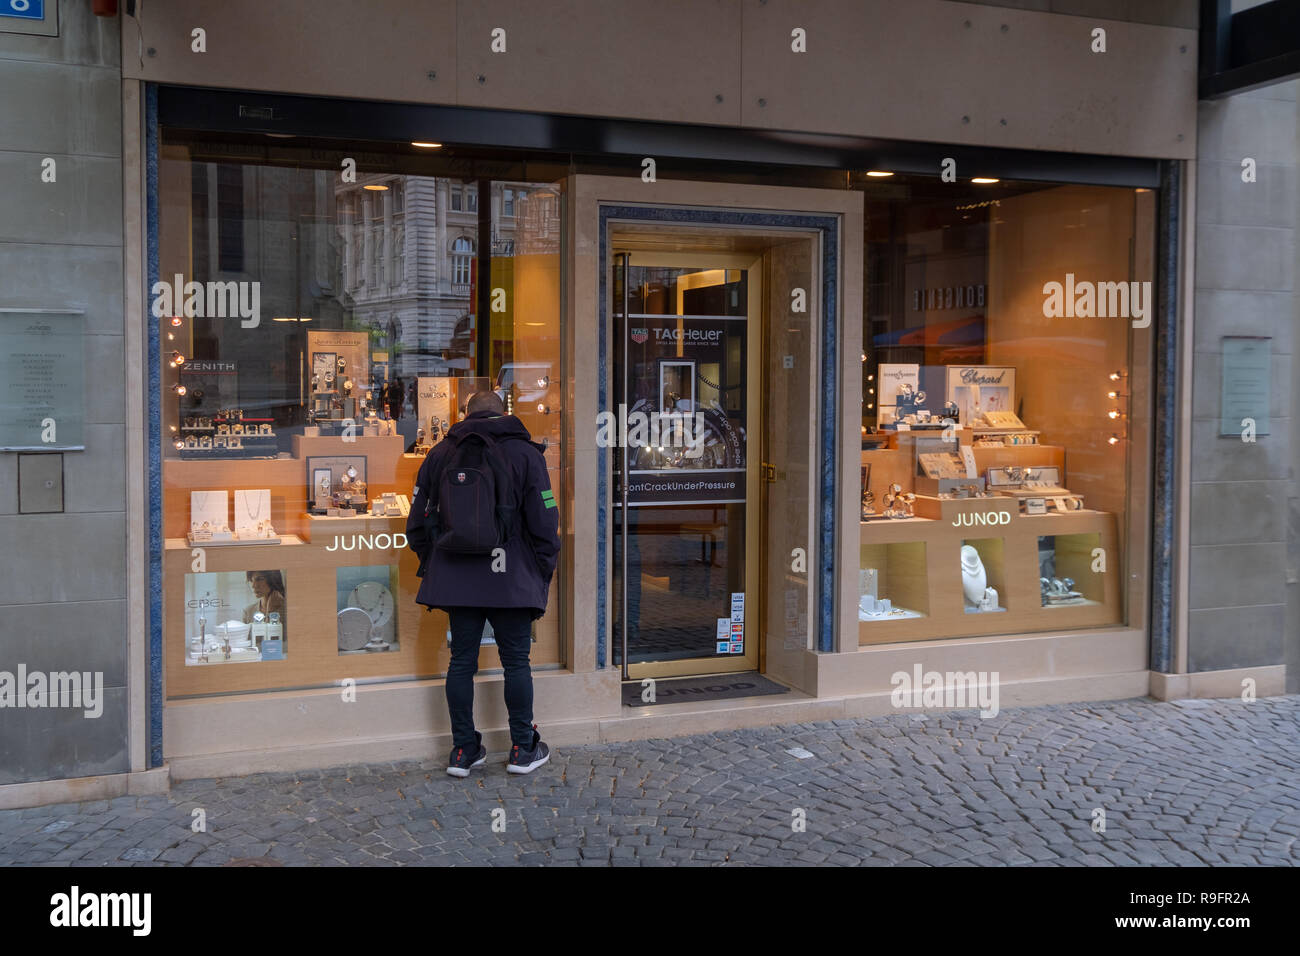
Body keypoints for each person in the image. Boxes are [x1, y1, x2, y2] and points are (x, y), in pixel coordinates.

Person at [407, 390, 560, 777]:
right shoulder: (526, 454)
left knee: (460, 662)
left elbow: (417, 523)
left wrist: (436, 562)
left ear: (465, 414)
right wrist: (542, 568)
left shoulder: (439, 454)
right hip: (511, 576)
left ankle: (463, 750)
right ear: (503, 412)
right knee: (516, 663)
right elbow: (545, 521)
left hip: (458, 577)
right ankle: (523, 748)